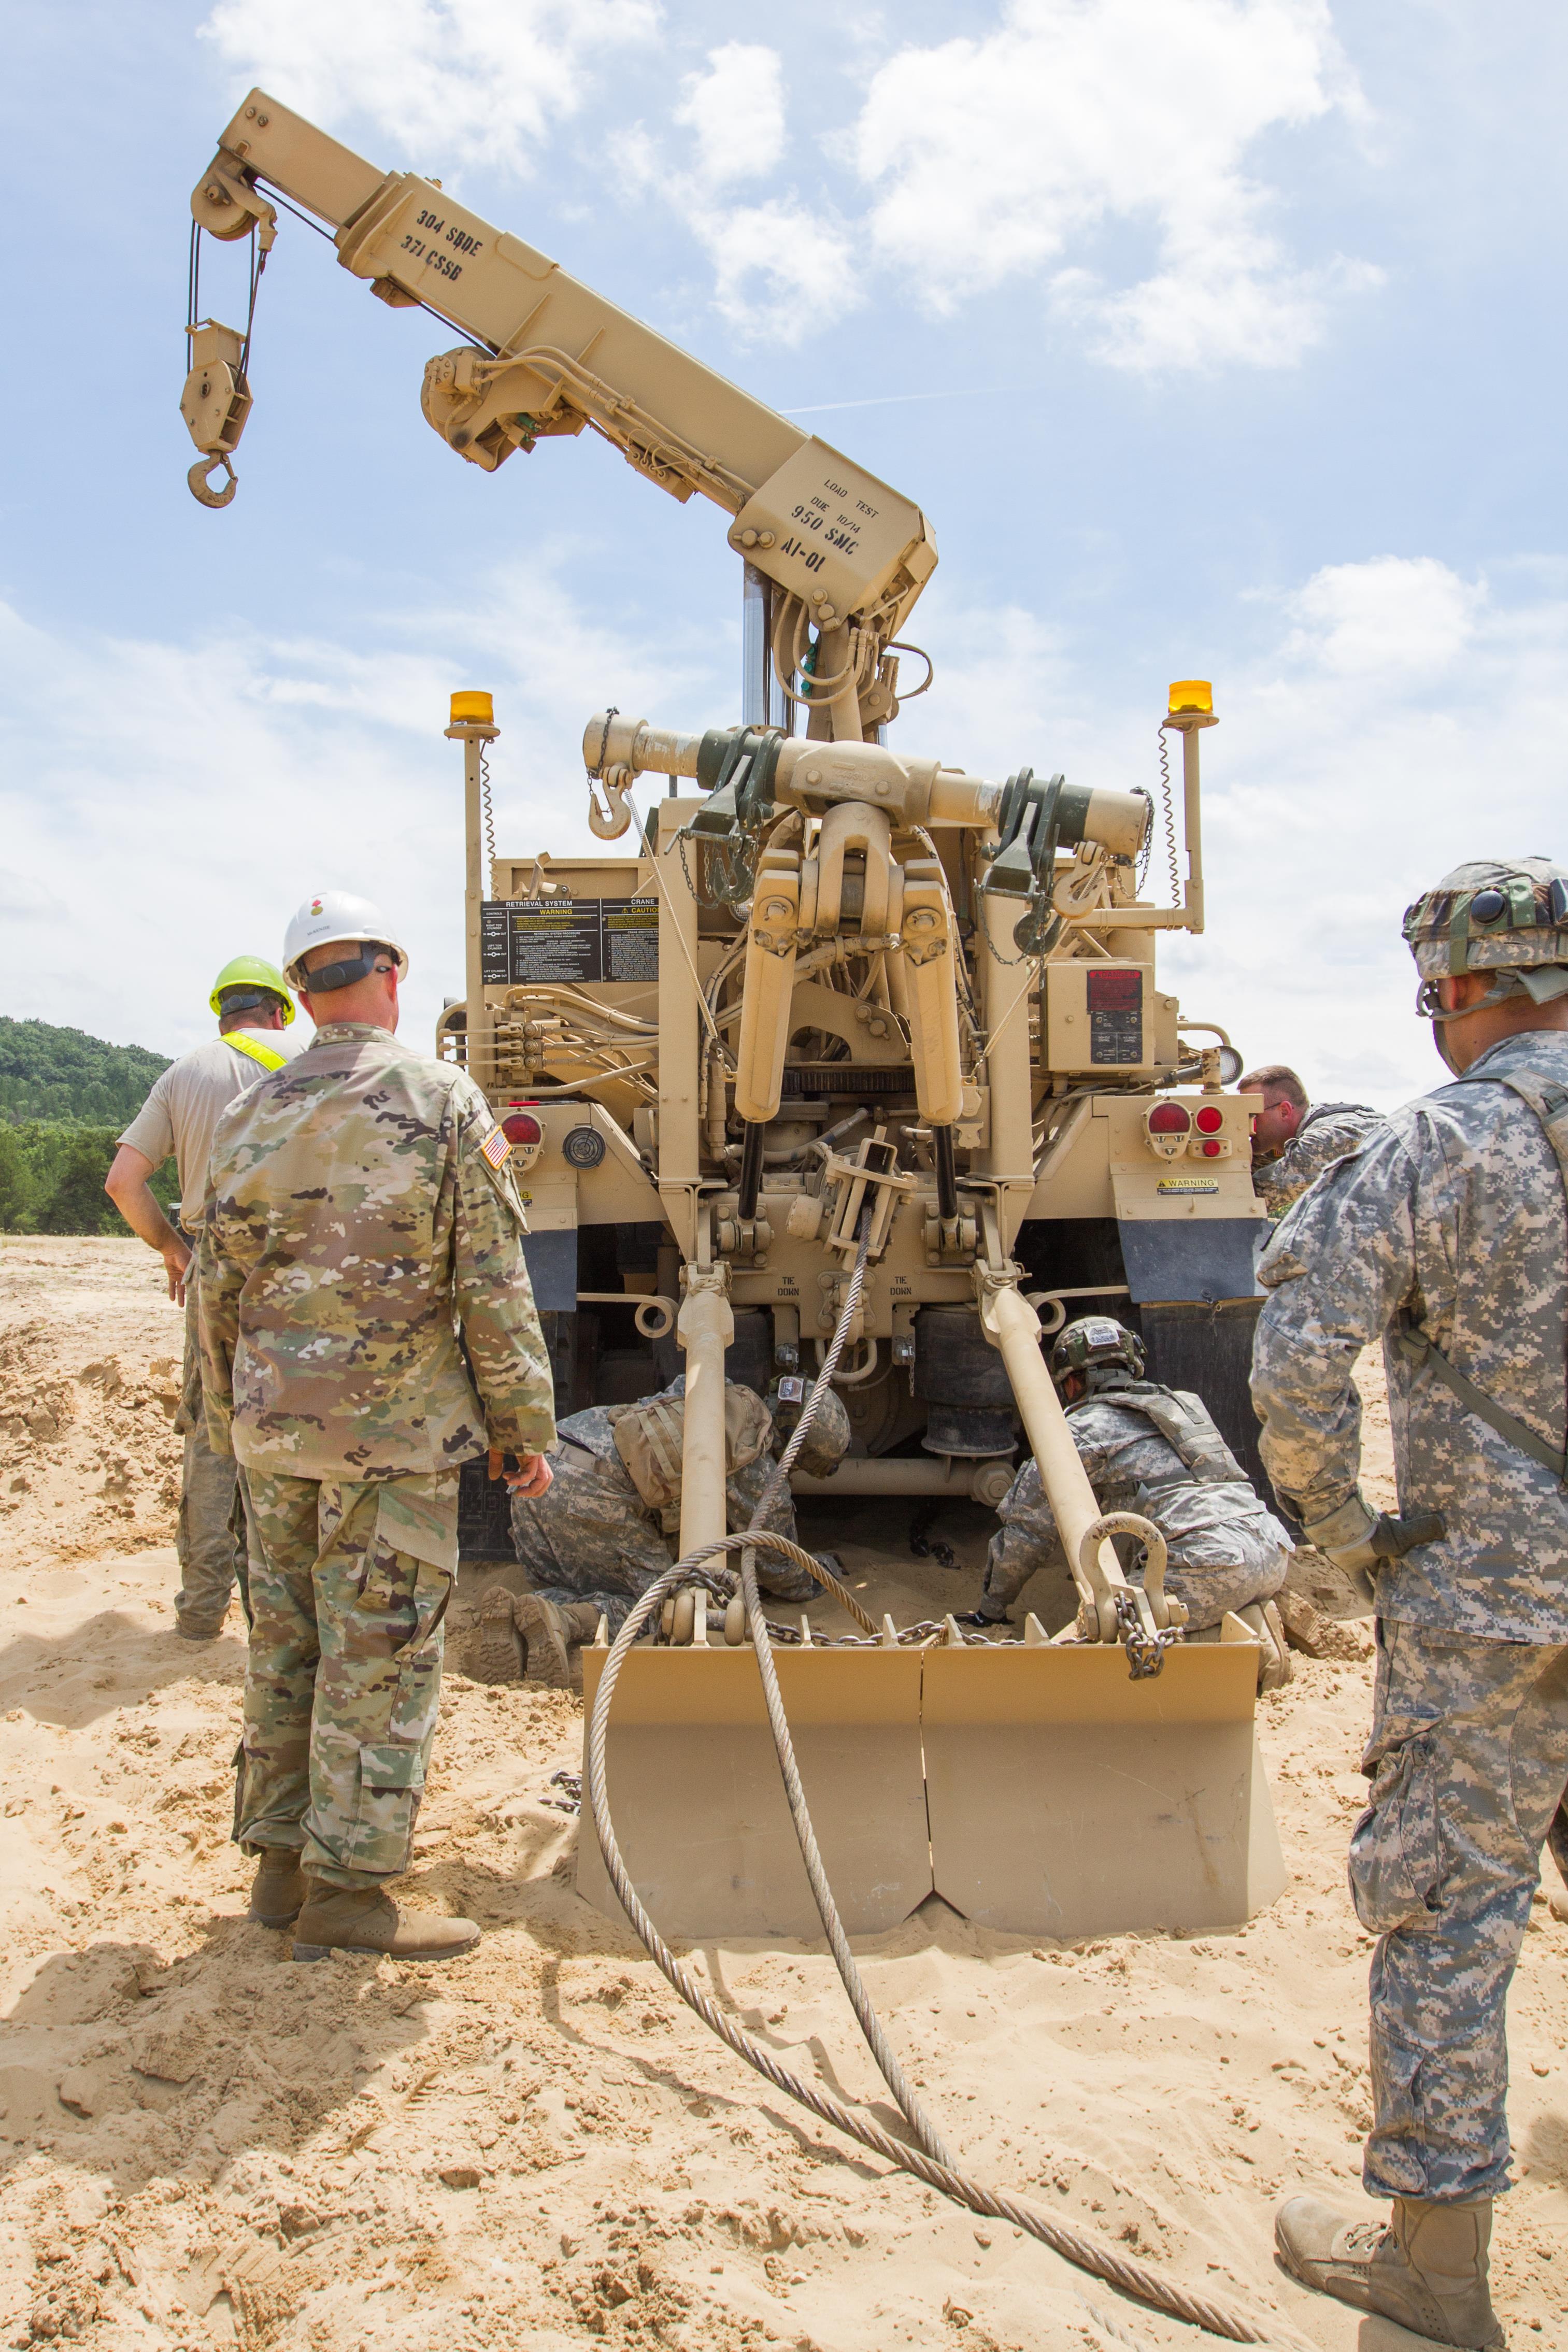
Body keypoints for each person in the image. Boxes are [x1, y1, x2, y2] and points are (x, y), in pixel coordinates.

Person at [1251, 857, 1568, 2349]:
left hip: (1485, 1608)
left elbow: (1298, 1357)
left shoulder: (1435, 1145)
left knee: (1449, 1913)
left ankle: (1435, 2271)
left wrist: (1340, 1533)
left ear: (1454, 993)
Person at [197, 890, 556, 1964]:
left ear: (303, 991)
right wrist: (521, 1427)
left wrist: (226, 1416)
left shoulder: (248, 1112)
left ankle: (278, 1868)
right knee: (380, 1658)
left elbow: (214, 1288)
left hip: (273, 1437)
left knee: (286, 1646)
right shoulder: (440, 1097)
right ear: (390, 975)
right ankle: (346, 1892)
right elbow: (491, 1281)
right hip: (393, 1444)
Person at [106, 957, 295, 1640]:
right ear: (280, 1012)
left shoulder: (185, 1072)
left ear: (222, 1014)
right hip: (302, 1272)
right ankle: (279, 1616)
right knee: (293, 1437)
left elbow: (123, 1181)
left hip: (213, 1265)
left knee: (214, 1437)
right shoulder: (311, 1060)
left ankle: (199, 1611)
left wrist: (172, 1248)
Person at [972, 1315, 1294, 1684]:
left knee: (1110, 1632)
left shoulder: (1078, 1430)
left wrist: (990, 1609)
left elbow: (1027, 1534)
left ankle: (1240, 1646)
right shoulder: (1185, 1405)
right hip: (1271, 1549)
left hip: (1207, 1565)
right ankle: (1252, 1617)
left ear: (1072, 1382)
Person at [484, 1372, 852, 1684]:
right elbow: (783, 1572)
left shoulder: (710, 1384)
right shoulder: (755, 1461)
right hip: (594, 1498)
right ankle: (565, 1619)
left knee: (580, 1581)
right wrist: (825, 1569)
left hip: (538, 1474)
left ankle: (525, 1614)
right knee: (668, 1609)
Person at [1238, 1062, 1384, 1217]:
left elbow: (1245, 1200)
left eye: (1252, 1115)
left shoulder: (1325, 1141)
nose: (1245, 1124)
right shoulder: (1316, 1122)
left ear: (1285, 1111)